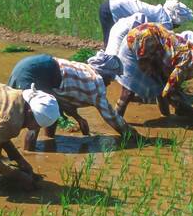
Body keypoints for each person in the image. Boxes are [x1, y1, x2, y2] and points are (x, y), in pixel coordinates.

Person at [8, 52, 138, 147]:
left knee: (51, 108)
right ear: (104, 73)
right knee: (37, 117)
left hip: (28, 65)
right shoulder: (96, 84)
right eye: (110, 78)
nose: (110, 82)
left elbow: (60, 101)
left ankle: (49, 139)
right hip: (33, 74)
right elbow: (111, 117)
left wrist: (78, 118)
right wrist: (132, 135)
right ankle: (29, 153)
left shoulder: (86, 69)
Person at [123, 23, 193, 120]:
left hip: (144, 40)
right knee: (130, 90)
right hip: (140, 44)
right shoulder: (185, 62)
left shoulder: (187, 49)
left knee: (160, 81)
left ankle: (165, 114)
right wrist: (186, 108)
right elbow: (169, 90)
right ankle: (117, 116)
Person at [97, 0, 193, 42]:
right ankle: (104, 71)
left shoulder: (160, 13)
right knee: (111, 44)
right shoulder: (164, 22)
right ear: (176, 20)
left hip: (111, 4)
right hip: (111, 9)